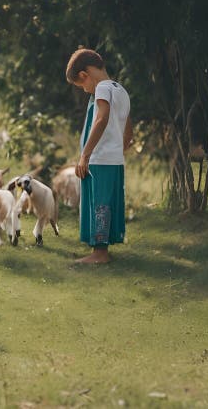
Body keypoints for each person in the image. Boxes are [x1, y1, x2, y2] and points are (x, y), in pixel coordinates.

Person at [66, 49, 133, 264]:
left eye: (82, 86)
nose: (86, 91)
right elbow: (128, 129)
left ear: (85, 75)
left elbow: (102, 118)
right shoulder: (120, 90)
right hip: (113, 159)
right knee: (107, 201)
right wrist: (118, 150)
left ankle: (100, 254)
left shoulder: (102, 88)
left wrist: (85, 155)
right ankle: (100, 249)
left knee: (99, 202)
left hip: (100, 159)